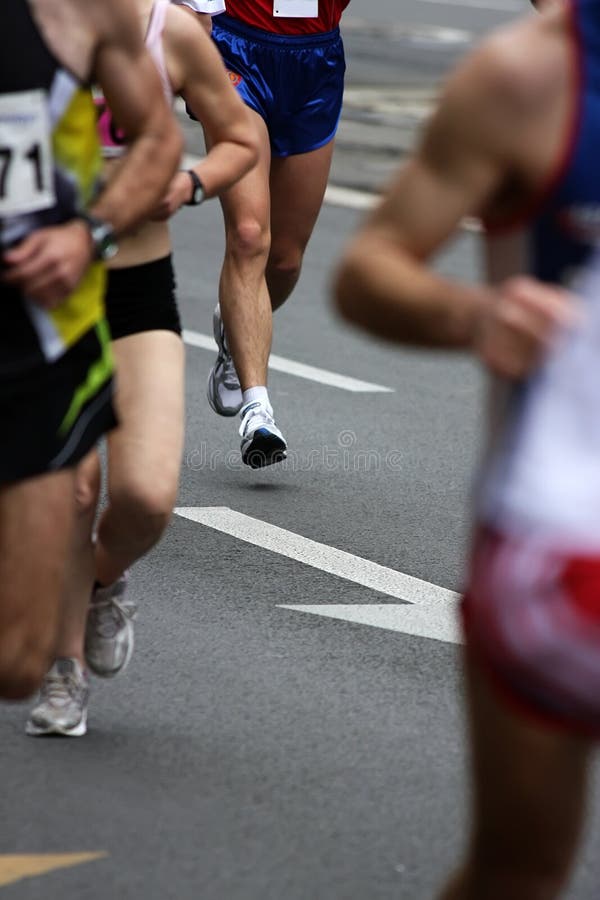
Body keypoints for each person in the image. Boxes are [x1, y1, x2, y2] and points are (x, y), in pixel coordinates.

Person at [334, 0, 600, 896]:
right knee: (518, 873)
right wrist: (479, 315)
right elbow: (370, 269)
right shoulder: (530, 74)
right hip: (559, 547)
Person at [25, 0, 259, 737]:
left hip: (134, 292)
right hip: (41, 298)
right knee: (73, 488)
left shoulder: (168, 29)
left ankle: (99, 580)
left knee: (146, 497)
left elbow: (242, 136)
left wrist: (189, 184)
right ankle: (63, 670)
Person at [0, 0, 181, 702]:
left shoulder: (81, 12)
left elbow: (159, 140)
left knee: (17, 662)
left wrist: (88, 235)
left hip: (38, 340)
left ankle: (90, 597)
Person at [184, 0, 350, 468]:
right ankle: (258, 410)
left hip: (315, 61)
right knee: (250, 233)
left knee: (284, 260)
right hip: (236, 51)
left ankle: (234, 335)